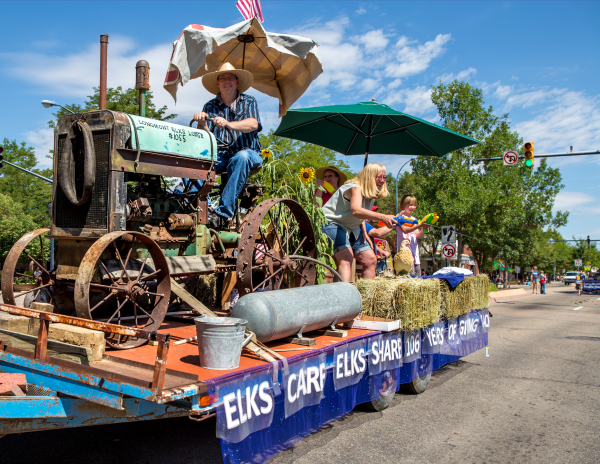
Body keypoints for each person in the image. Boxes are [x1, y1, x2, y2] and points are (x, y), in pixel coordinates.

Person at [194, 62, 263, 229]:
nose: (227, 81)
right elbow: (205, 137)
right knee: (195, 160)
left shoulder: (248, 101)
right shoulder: (210, 106)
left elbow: (253, 124)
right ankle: (204, 208)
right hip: (221, 156)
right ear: (217, 83)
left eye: (230, 77)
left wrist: (228, 124)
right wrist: (202, 123)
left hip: (248, 153)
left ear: (237, 81)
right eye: (223, 78)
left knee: (242, 157)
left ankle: (223, 214)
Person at [321, 163, 397, 282]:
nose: (382, 180)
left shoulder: (370, 194)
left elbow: (359, 215)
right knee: (346, 258)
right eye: (379, 177)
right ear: (369, 176)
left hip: (352, 228)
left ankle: (364, 297)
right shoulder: (355, 187)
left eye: (384, 177)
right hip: (331, 224)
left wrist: (364, 230)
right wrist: (383, 217)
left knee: (370, 260)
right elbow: (355, 210)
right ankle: (344, 299)